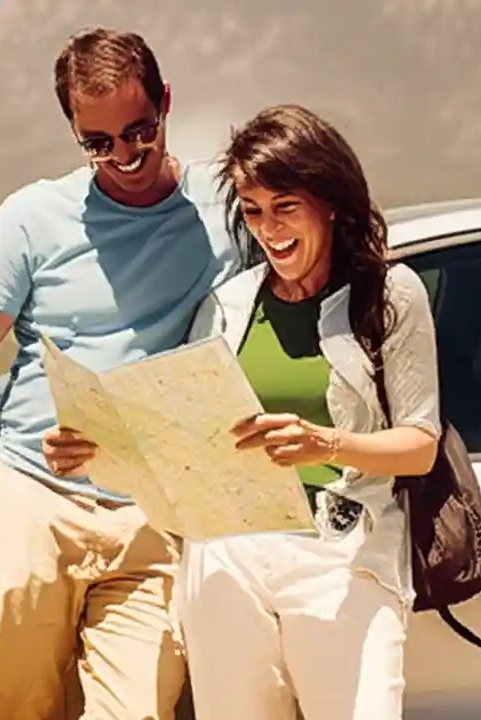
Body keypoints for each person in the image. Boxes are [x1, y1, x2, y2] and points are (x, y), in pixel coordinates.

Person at [44, 104, 441, 719]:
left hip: (341, 554)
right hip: (228, 554)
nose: (270, 230)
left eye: (286, 207)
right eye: (254, 211)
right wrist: (98, 448)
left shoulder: (391, 297)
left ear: (330, 203)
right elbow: (182, 436)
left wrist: (324, 445)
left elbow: (420, 442)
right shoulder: (228, 305)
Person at [0, 26, 238, 720]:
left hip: (153, 513)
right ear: (74, 132)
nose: (124, 156)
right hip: (34, 501)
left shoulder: (224, 209)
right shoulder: (32, 217)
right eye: (99, 143)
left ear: (164, 102)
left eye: (139, 131)